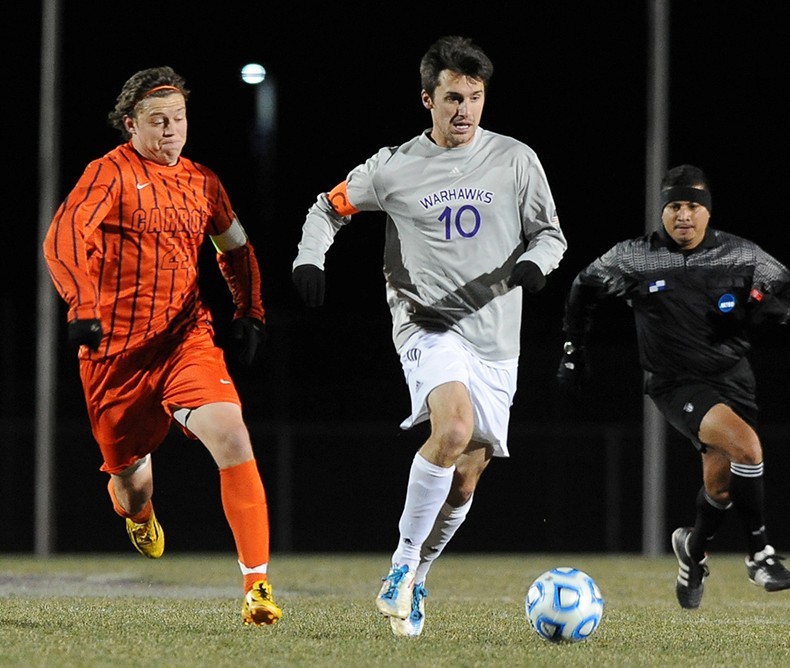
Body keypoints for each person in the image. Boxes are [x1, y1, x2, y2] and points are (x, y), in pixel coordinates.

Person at [292, 35, 567, 636]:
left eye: (474, 97)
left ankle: (417, 575)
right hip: (427, 321)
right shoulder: (394, 167)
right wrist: (310, 259)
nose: (464, 110)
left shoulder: (516, 158)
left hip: (497, 337)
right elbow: (328, 207)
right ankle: (399, 567)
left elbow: (551, 234)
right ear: (427, 99)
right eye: (451, 98)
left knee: (467, 473)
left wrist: (533, 266)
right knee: (453, 428)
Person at [42, 66, 282, 626]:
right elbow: (65, 235)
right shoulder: (109, 173)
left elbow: (236, 250)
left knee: (231, 433)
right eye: (158, 120)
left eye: (178, 118)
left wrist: (250, 311)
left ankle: (257, 586)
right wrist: (81, 306)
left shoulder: (203, 182)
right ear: (131, 125)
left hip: (184, 341)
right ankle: (138, 509)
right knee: (130, 481)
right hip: (114, 354)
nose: (172, 129)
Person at [557, 163, 790, 609]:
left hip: (734, 380)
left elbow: (780, 288)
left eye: (693, 206)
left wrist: (767, 308)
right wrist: (573, 349)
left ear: (707, 212)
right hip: (676, 384)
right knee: (749, 448)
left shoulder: (739, 254)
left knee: (722, 490)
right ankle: (760, 555)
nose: (684, 215)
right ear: (662, 210)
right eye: (675, 206)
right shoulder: (635, 257)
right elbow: (583, 287)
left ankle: (691, 551)